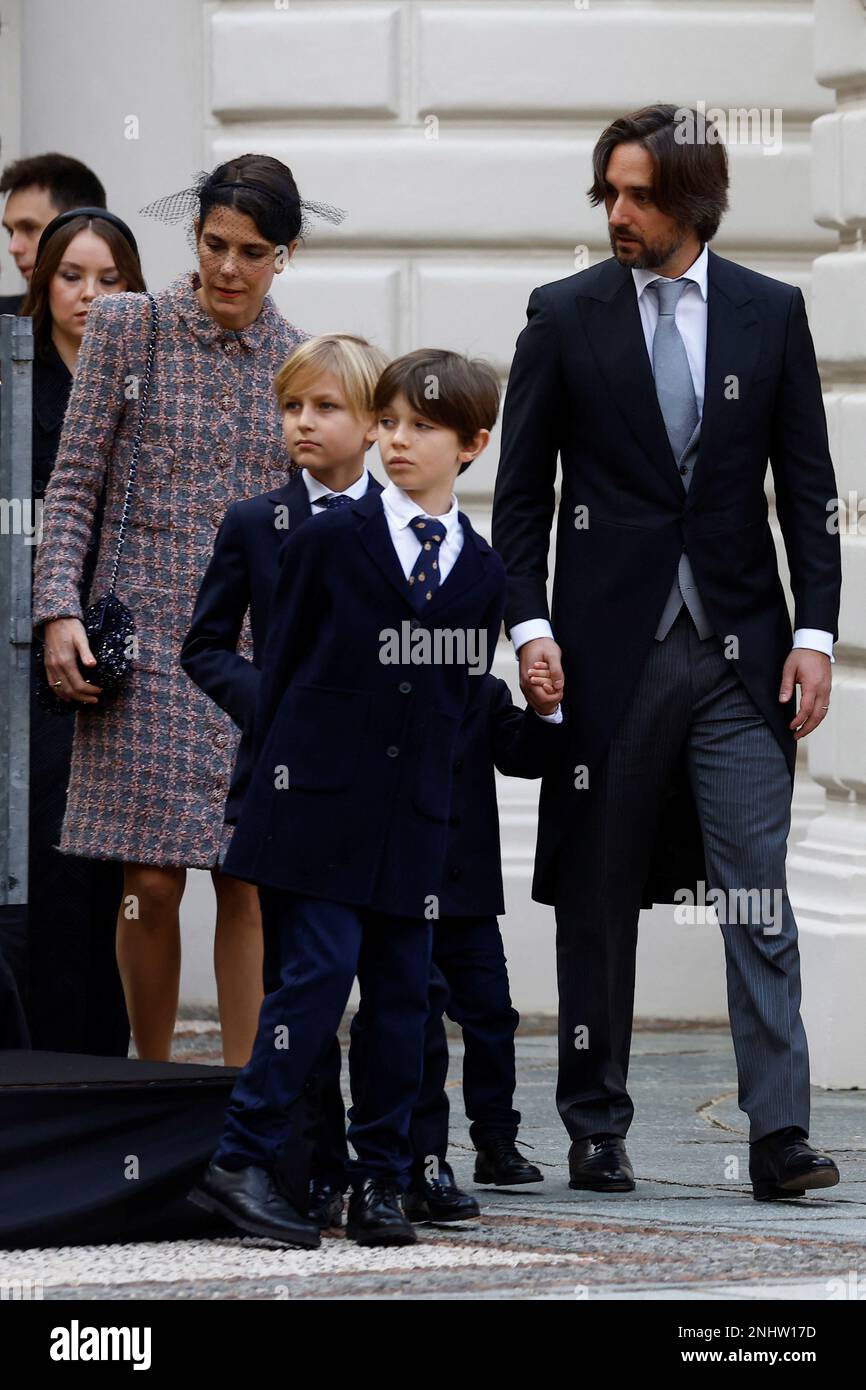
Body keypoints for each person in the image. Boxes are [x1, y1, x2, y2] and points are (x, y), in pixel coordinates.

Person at [491, 104, 843, 1203]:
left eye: (638, 194)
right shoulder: (562, 315)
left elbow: (809, 494)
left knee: (755, 892)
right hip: (605, 658)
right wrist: (531, 625)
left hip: (741, 653)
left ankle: (777, 1132)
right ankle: (594, 1125)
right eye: (606, 192)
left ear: (693, 199)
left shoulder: (768, 312)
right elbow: (519, 500)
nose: (617, 213)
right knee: (597, 898)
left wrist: (815, 635)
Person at [182, 334, 561, 1229]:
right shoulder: (327, 538)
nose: (396, 441)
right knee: (314, 982)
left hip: (415, 822)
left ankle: (383, 1177)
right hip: (314, 809)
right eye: (386, 422)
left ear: (470, 446)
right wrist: (285, 780)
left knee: (402, 1004)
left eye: (420, 426)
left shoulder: (480, 572)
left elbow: (461, 704)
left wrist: (542, 713)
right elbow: (282, 674)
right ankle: (241, 1159)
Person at [30, 155, 340, 1066]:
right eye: (213, 244)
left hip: (251, 650)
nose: (228, 268)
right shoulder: (130, 328)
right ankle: (153, 1083)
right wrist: (58, 612)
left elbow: (313, 519)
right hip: (143, 641)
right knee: (151, 879)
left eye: (251, 251)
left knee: (245, 879)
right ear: (193, 237)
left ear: (282, 255)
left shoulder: (298, 358)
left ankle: (245, 1105)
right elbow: (75, 483)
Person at [19, 209, 145, 1053]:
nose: (90, 296)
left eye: (110, 279)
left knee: (115, 872)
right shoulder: (15, 373)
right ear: (44, 283)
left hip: (123, 648)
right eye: (72, 276)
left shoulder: (150, 377)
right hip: (27, 646)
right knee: (35, 861)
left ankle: (105, 1060)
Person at [0, 153, 106, 313]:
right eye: (10, 231)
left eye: (29, 228)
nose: (13, 248)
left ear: (80, 226)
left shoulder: (138, 323)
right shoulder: (6, 318)